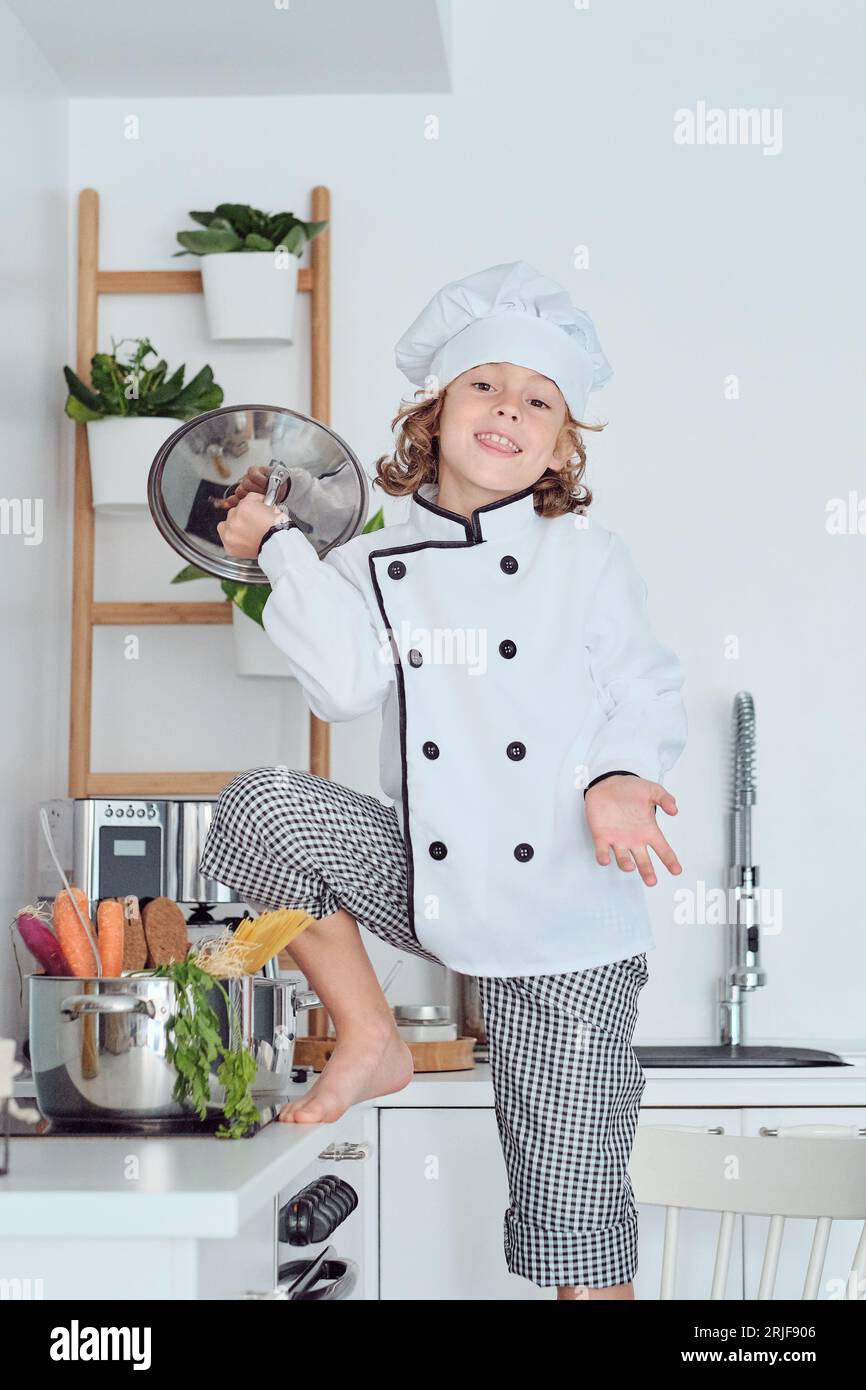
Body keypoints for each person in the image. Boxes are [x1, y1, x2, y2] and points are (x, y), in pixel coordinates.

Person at [202, 261, 688, 1299]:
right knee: (261, 809)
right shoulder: (377, 558)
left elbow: (644, 688)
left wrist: (617, 775)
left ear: (561, 445)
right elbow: (339, 687)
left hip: (565, 926)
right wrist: (283, 549)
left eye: (538, 399)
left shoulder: (583, 557)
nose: (507, 406)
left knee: (573, 1227)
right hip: (440, 880)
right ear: (432, 412)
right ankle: (370, 1036)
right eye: (484, 384)